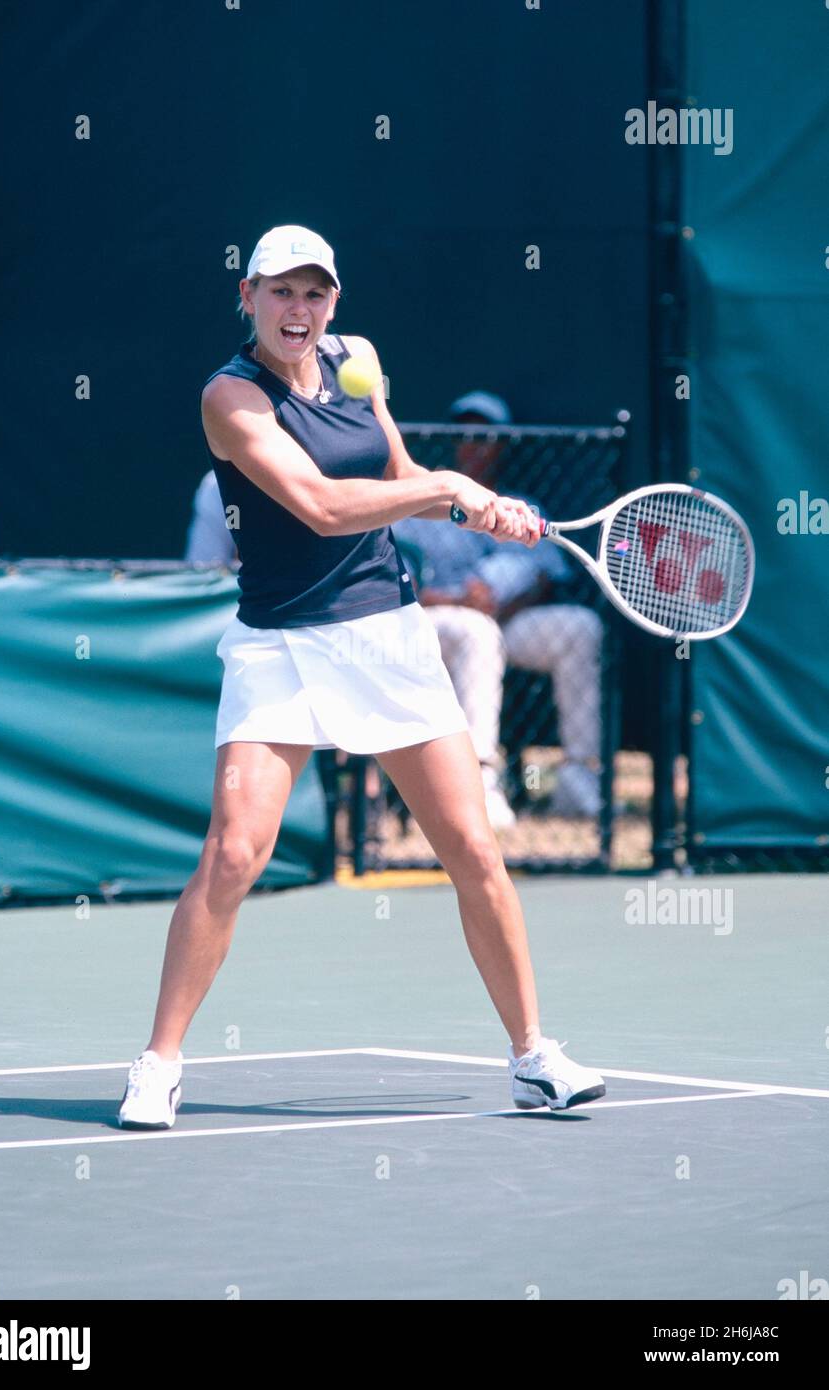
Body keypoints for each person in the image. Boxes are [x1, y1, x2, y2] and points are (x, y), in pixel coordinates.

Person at [119, 224, 605, 1128]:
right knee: (232, 856)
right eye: (280, 293)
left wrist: (481, 509)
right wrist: (447, 489)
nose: (298, 311)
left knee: (473, 850)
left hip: (387, 633)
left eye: (314, 294)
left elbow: (397, 472)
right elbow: (320, 504)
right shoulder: (229, 398)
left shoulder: (359, 360)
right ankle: (159, 1062)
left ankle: (534, 1055)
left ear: (333, 302)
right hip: (279, 646)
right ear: (248, 298)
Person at [395, 393, 604, 821]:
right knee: (476, 633)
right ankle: (479, 784)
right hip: (435, 623)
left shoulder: (521, 507)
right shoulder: (419, 503)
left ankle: (579, 778)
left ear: (503, 445)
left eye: (486, 437)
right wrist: (460, 600)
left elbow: (547, 580)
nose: (475, 446)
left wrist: (501, 603)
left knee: (581, 627)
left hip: (507, 622)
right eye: (466, 436)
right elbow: (396, 584)